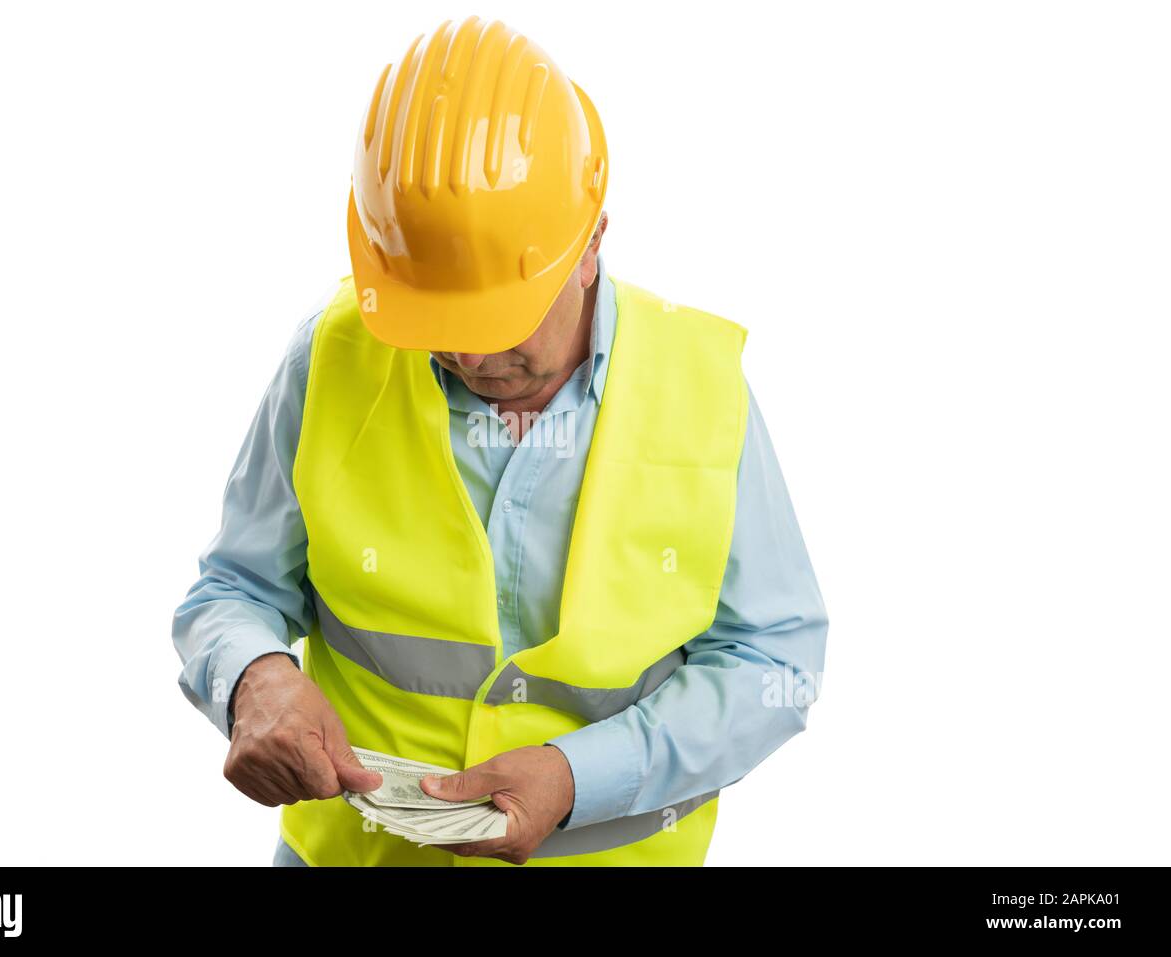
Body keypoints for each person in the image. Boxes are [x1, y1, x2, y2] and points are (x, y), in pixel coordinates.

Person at [174, 16, 828, 867]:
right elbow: (232, 587)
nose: (471, 356)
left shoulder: (702, 387)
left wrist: (580, 775)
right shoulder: (330, 358)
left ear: (590, 242)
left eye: (496, 317)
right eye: (436, 321)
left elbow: (773, 658)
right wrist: (252, 678)